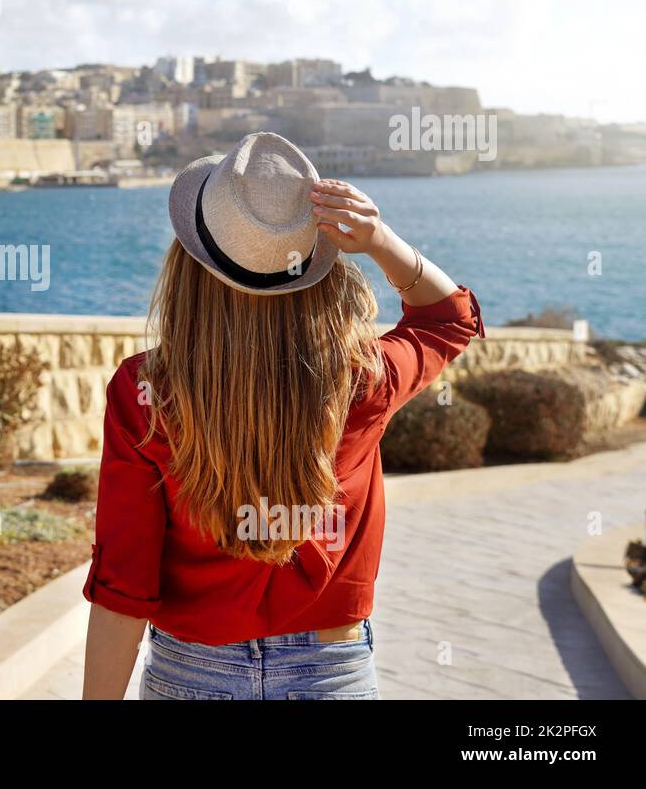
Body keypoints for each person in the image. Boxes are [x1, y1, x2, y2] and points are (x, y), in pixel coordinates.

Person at [81, 132, 484, 700]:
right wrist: (380, 240)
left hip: (191, 673)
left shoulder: (146, 392)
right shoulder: (363, 379)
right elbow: (448, 319)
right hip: (330, 671)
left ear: (191, 268)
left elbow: (124, 582)